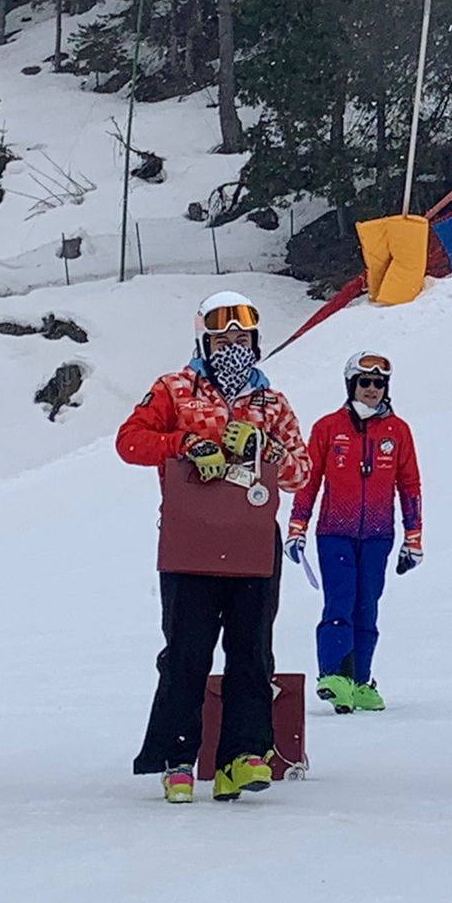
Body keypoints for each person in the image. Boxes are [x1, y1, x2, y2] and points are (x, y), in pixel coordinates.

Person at [117, 291, 311, 803]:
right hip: (191, 540)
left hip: (251, 542)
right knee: (186, 651)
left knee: (252, 650)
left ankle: (243, 756)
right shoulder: (175, 389)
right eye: (222, 336)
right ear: (204, 339)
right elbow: (129, 441)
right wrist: (183, 443)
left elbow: (301, 470)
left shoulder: (272, 402)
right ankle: (177, 758)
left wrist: (267, 448)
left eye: (242, 337)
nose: (232, 345)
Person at [287, 351, 424, 714]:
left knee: (368, 607)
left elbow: (409, 485)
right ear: (352, 385)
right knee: (339, 602)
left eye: (379, 384)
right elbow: (308, 480)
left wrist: (414, 537)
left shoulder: (397, 431)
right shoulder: (328, 428)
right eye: (365, 382)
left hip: (378, 534)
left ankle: (361, 680)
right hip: (335, 531)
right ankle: (334, 676)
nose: (372, 390)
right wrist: (297, 526)